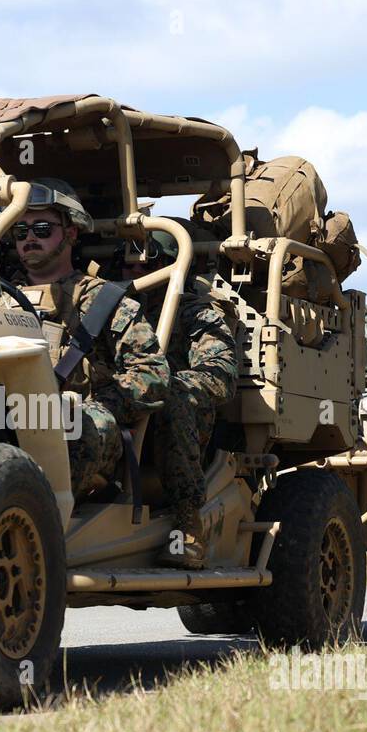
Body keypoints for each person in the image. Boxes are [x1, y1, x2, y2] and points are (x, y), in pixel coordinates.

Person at [7, 178, 168, 501]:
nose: (29, 239)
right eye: (20, 231)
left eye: (41, 228)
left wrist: (95, 406)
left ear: (71, 233)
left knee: (77, 428)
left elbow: (153, 375)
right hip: (4, 414)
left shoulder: (103, 299)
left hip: (77, 423)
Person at [122, 226, 238, 569]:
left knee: (173, 399)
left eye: (146, 263)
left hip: (171, 416)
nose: (134, 271)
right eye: (127, 263)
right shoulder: (112, 307)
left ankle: (188, 524)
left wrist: (164, 384)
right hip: (124, 401)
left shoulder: (195, 313)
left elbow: (222, 375)